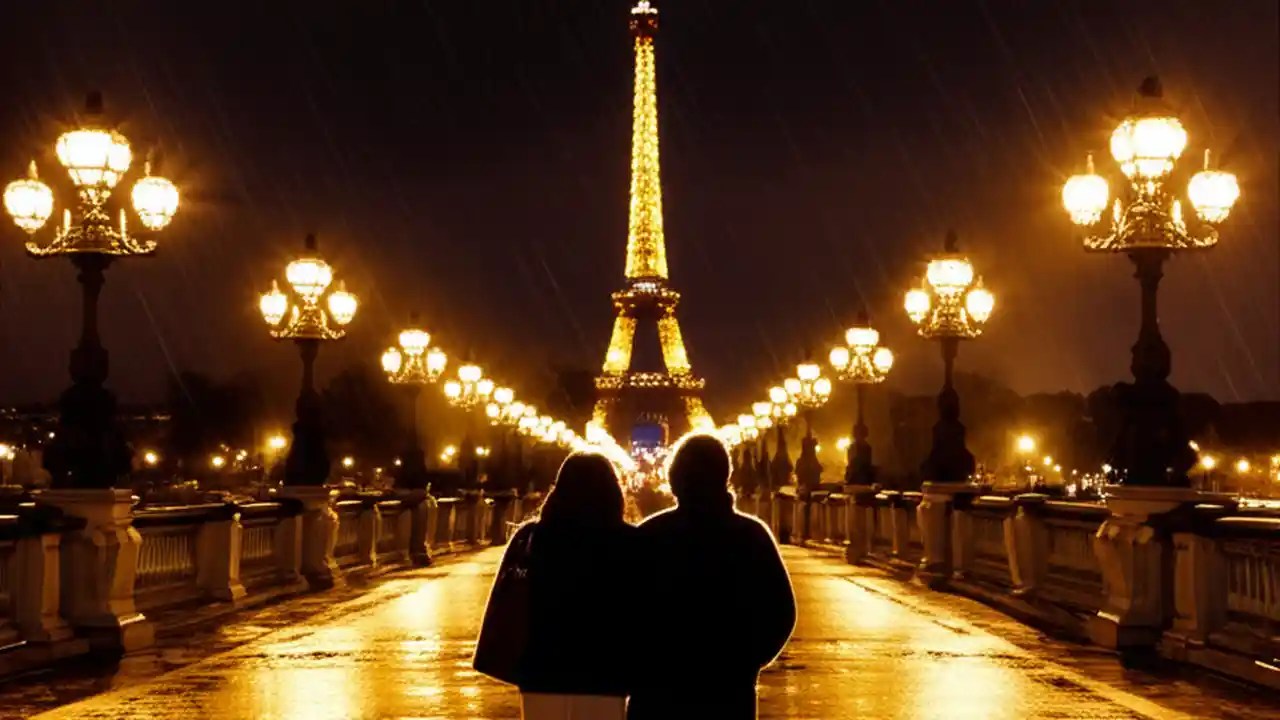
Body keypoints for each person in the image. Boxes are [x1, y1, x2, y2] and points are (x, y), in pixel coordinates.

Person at [629, 434, 797, 719]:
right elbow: (782, 612)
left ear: (674, 481)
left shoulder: (650, 534)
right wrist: (747, 662)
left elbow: (621, 612)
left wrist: (642, 666)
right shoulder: (751, 535)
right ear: (724, 477)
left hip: (658, 690)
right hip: (729, 690)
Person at [476, 451, 636, 720]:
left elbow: (506, 598)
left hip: (541, 669)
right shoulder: (629, 542)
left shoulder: (532, 537)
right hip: (605, 672)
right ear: (613, 492)